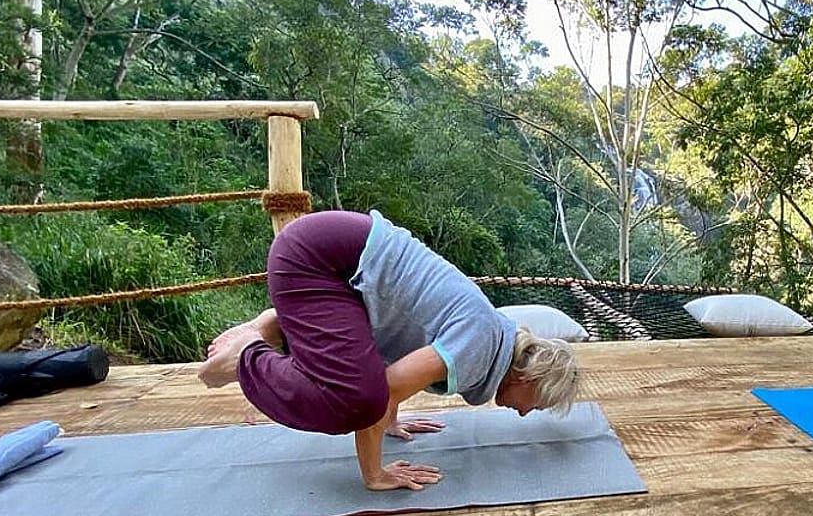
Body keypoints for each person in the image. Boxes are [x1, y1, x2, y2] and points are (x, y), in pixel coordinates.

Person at [198, 210, 579, 491]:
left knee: (367, 390)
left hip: (341, 269)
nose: (528, 413)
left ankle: (279, 321)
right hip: (317, 260)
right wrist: (375, 474)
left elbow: (396, 346)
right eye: (539, 403)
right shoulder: (480, 347)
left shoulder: (489, 341)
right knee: (352, 402)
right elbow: (385, 388)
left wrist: (391, 419)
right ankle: (250, 353)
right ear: (529, 376)